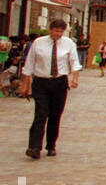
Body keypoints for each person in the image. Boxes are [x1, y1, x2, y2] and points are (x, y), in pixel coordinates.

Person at [20, 18, 82, 159]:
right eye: (56, 31)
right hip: (41, 82)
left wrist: (75, 78)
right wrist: (25, 84)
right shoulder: (39, 43)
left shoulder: (68, 44)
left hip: (59, 82)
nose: (58, 34)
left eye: (61, 31)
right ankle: (34, 146)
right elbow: (29, 64)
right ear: (50, 30)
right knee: (41, 113)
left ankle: (51, 145)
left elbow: (74, 62)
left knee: (55, 115)